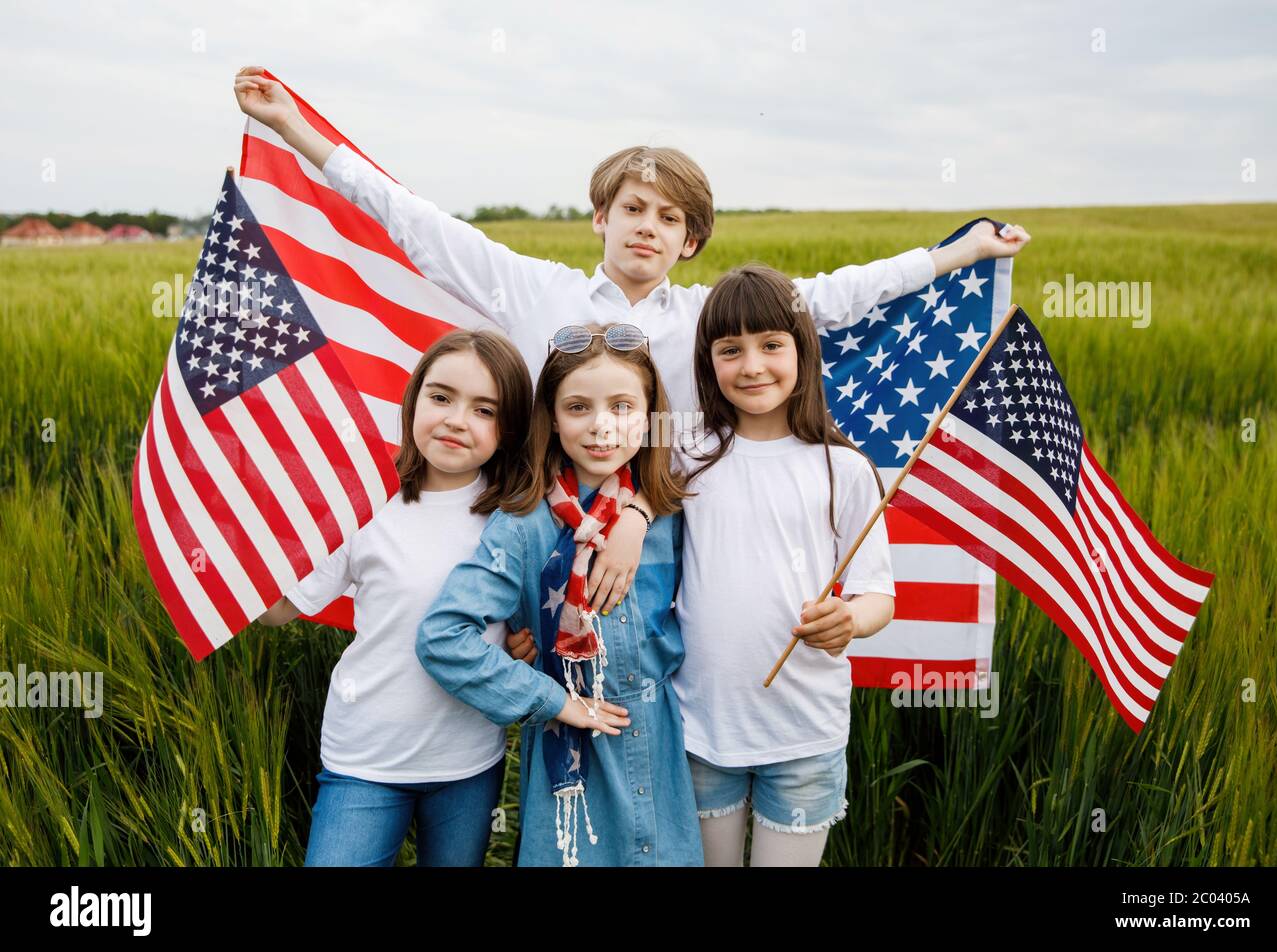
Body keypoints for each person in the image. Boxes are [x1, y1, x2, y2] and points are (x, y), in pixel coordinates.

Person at [233, 65, 1031, 618]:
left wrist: (958, 254)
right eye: (633, 208)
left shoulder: (704, 320)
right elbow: (413, 219)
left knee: (633, 716)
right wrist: (295, 127)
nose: (648, 227)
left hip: (654, 541)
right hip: (528, 527)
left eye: (670, 217)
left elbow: (834, 297)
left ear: (690, 241)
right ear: (600, 218)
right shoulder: (534, 287)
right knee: (517, 702)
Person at [415, 322, 702, 866]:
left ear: (651, 418)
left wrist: (639, 514)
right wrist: (553, 700)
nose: (601, 427)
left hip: (662, 742)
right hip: (571, 757)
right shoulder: (524, 524)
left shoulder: (670, 512)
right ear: (551, 416)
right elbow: (444, 637)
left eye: (622, 407)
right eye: (577, 408)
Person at [256, 329, 534, 866]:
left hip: (467, 762)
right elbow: (278, 610)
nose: (456, 419)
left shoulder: (515, 518)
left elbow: (533, 620)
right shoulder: (365, 503)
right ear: (413, 402)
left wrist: (523, 642)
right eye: (441, 397)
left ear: (509, 428)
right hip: (366, 760)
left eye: (484, 409)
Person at [673, 263, 898, 867]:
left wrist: (849, 619)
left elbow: (879, 593)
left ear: (803, 351)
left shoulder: (843, 468)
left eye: (772, 345)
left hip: (805, 732)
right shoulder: (686, 457)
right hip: (702, 730)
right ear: (708, 361)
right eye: (731, 349)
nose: (752, 366)